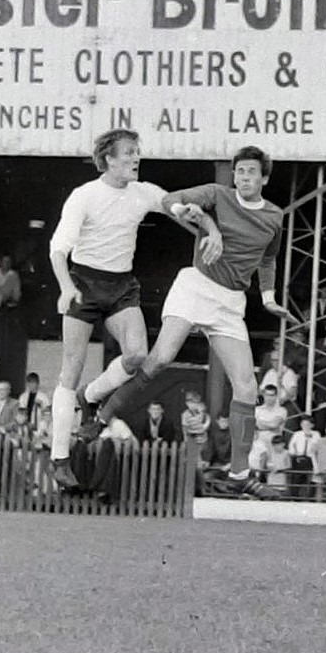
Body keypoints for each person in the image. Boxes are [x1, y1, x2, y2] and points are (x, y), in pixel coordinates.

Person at [83, 145, 288, 499]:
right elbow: (170, 200)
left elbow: (268, 259)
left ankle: (239, 474)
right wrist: (205, 223)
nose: (244, 178)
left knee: (247, 387)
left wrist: (268, 298)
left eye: (251, 172)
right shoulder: (218, 194)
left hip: (230, 302)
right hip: (196, 287)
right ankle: (101, 415)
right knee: (160, 359)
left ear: (264, 178)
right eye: (239, 172)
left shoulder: (274, 216)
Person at [46, 129, 210, 492]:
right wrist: (67, 287)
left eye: (138, 151)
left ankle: (91, 396)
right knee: (70, 368)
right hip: (84, 281)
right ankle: (59, 458)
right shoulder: (84, 196)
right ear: (109, 159)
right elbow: (58, 250)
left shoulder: (143, 191)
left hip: (120, 285)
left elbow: (172, 205)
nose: (136, 158)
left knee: (137, 355)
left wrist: (192, 213)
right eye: (129, 152)